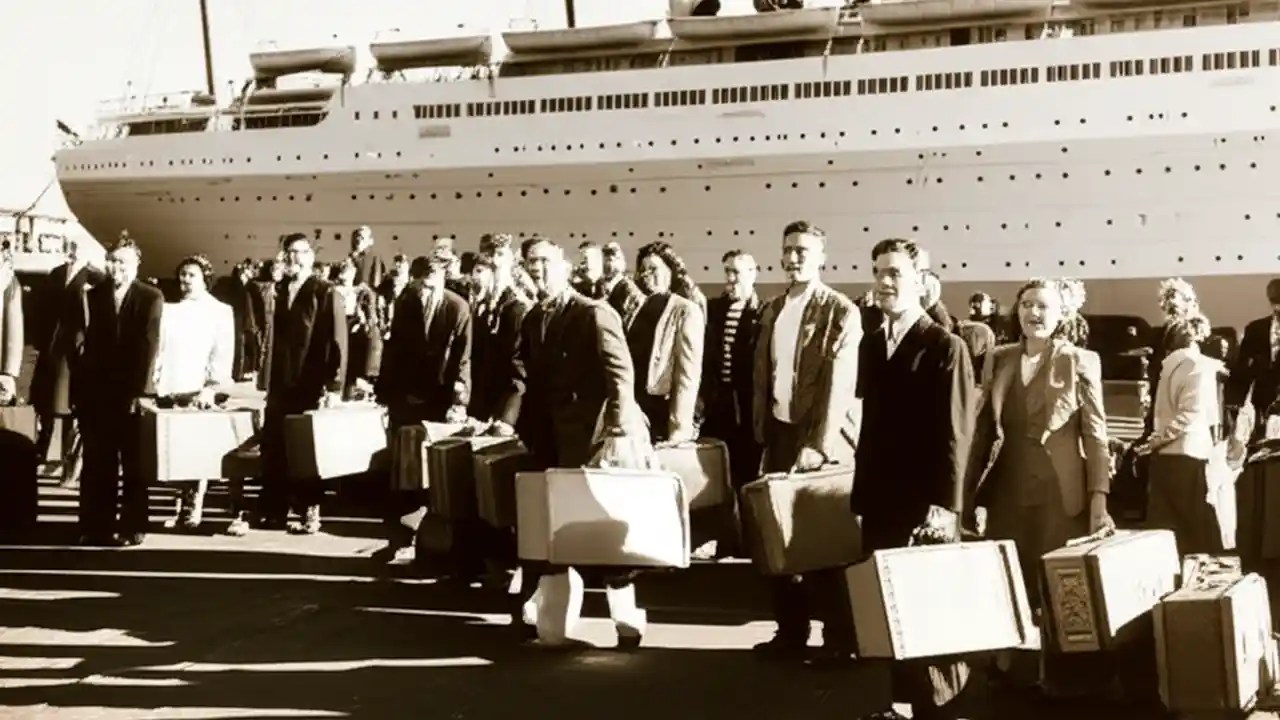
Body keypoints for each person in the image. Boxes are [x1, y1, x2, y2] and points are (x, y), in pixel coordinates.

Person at [501, 236, 649, 648]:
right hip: (549, 440)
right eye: (532, 265)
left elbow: (621, 375)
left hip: (592, 438)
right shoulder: (532, 320)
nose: (539, 271)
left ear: (565, 266)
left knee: (604, 533)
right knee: (553, 531)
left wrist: (619, 428)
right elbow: (528, 378)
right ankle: (552, 623)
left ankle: (627, 621)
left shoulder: (593, 313)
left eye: (546, 262)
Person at [852, 238, 976, 720]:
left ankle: (940, 707)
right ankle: (899, 703)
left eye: (896, 272)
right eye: (879, 271)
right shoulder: (873, 341)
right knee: (889, 607)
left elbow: (955, 434)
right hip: (880, 496)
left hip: (924, 504)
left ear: (921, 280)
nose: (885, 281)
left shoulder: (946, 347)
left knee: (929, 608)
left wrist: (945, 506)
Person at [964, 278, 1114, 609]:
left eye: (1043, 306)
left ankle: (1057, 659)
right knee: (1008, 587)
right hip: (1007, 495)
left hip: (1059, 498)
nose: (1034, 312)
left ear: (1061, 315)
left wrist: (1098, 499)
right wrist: (968, 494)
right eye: (1027, 304)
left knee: (1059, 592)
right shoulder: (998, 359)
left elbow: (1096, 435)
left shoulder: (1080, 361)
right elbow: (984, 433)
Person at [750, 221, 861, 663]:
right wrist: (762, 434)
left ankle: (840, 638)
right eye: (788, 249)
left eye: (802, 250)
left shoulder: (839, 310)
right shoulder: (773, 309)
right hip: (777, 434)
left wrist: (818, 442)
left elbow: (840, 382)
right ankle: (790, 632)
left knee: (824, 543)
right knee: (778, 537)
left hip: (817, 437)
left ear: (821, 257)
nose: (794, 257)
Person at [374, 253, 472, 561]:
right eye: (421, 285)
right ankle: (401, 538)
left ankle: (434, 543)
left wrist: (459, 397)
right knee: (404, 472)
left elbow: (463, 355)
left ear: (443, 279)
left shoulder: (457, 307)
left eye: (431, 285)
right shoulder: (406, 302)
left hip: (439, 400)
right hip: (405, 398)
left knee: (437, 475)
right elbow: (394, 350)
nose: (425, 291)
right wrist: (386, 392)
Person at [73, 236, 164, 547]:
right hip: (97, 393)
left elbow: (148, 346)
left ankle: (133, 525)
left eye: (122, 262)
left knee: (133, 463)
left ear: (136, 265)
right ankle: (94, 525)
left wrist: (141, 391)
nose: (116, 268)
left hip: (131, 392)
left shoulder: (150, 296)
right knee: (98, 461)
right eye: (112, 261)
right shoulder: (94, 295)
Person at [257, 233, 347, 535]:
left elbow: (337, 341)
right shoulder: (279, 291)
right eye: (288, 253)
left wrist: (333, 386)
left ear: (310, 256)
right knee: (275, 445)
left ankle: (310, 510)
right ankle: (275, 509)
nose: (293, 258)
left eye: (299, 253)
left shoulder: (325, 291)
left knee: (307, 449)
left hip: (310, 383)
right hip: (281, 383)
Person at [152, 254, 236, 530]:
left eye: (192, 275)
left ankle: (193, 508)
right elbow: (160, 349)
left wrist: (211, 387)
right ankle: (179, 506)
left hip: (200, 391)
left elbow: (222, 353)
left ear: (205, 279)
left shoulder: (220, 311)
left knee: (198, 451)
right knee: (175, 451)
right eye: (182, 275)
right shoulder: (170, 310)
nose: (185, 280)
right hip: (172, 388)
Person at [1136, 312, 1225, 555]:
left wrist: (1156, 441)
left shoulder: (1168, 366)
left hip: (1164, 457)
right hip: (1189, 453)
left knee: (1165, 529)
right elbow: (1190, 414)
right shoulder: (1196, 365)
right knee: (1198, 528)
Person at [30, 238, 101, 486]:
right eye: (71, 248)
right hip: (53, 348)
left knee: (71, 407)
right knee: (47, 404)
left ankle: (71, 464)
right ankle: (44, 455)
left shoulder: (94, 277)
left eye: (77, 248)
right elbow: (42, 308)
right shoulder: (57, 273)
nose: (73, 252)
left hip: (76, 352)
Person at [627, 242, 703, 444]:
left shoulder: (686, 310)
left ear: (670, 272)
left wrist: (679, 426)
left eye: (653, 269)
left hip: (661, 409)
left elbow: (688, 374)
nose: (645, 274)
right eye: (642, 270)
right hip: (636, 410)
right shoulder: (637, 308)